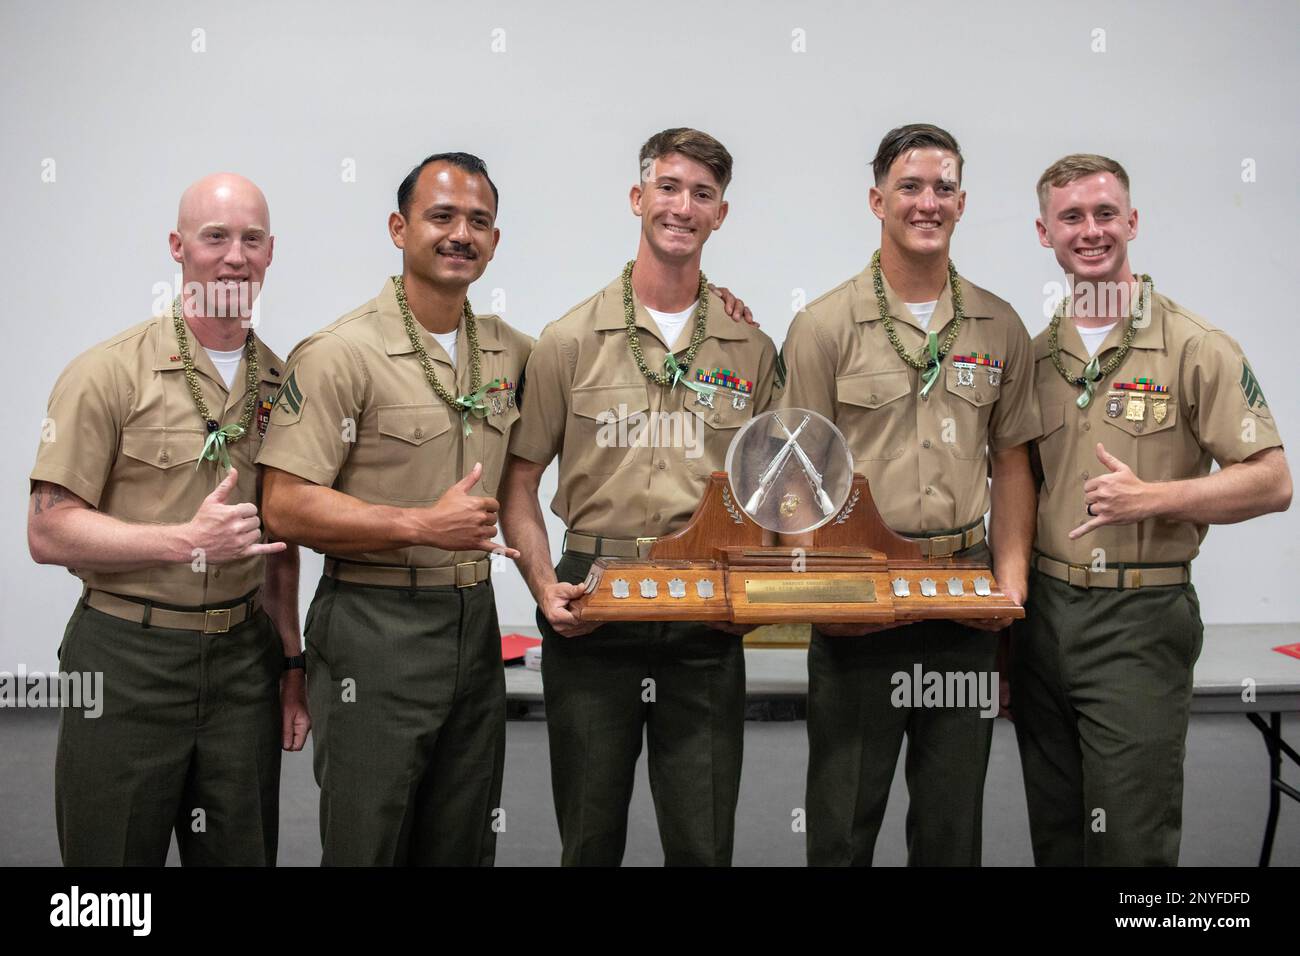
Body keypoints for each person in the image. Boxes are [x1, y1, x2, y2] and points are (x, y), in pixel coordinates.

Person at [500, 127, 779, 866]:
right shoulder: (568, 341)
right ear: (638, 197)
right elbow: (519, 483)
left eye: (702, 194)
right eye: (669, 187)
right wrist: (539, 582)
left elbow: (775, 494)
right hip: (594, 609)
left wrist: (754, 594)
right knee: (589, 840)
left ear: (720, 213)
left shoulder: (751, 350)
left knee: (703, 841)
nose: (682, 206)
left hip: (704, 618)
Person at [1012, 153, 1292, 866]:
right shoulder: (1039, 356)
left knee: (1130, 841)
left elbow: (1272, 481)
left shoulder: (1195, 346)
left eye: (1106, 213)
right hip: (1043, 617)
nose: (1091, 230)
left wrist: (1154, 498)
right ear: (1045, 233)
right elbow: (1016, 487)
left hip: (1137, 622)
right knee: (1059, 836)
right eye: (1071, 216)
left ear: (1131, 222)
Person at [257, 152, 531, 866]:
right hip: (373, 631)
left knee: (464, 843)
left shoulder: (513, 354)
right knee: (367, 842)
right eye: (441, 216)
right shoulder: (338, 354)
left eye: (478, 221)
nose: (460, 234)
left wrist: (713, 305)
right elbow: (283, 506)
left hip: (474, 632)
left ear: (495, 241)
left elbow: (614, 362)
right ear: (399, 227)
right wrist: (418, 525)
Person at [779, 124, 1041, 866]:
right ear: (877, 199)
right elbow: (793, 478)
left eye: (944, 188)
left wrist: (1010, 583)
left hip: (962, 597)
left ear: (962, 201)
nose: (928, 202)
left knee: (952, 823)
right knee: (842, 820)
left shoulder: (1000, 326)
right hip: (859, 595)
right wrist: (823, 591)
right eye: (910, 187)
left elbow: (1013, 461)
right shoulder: (823, 326)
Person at [27, 172, 307, 866]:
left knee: (242, 853)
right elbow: (48, 529)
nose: (234, 255)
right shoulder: (106, 373)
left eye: (251, 239)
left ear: (271, 253)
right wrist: (185, 541)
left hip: (244, 663)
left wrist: (291, 661)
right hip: (127, 659)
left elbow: (280, 542)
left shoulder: (282, 385)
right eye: (215, 237)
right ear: (179, 248)